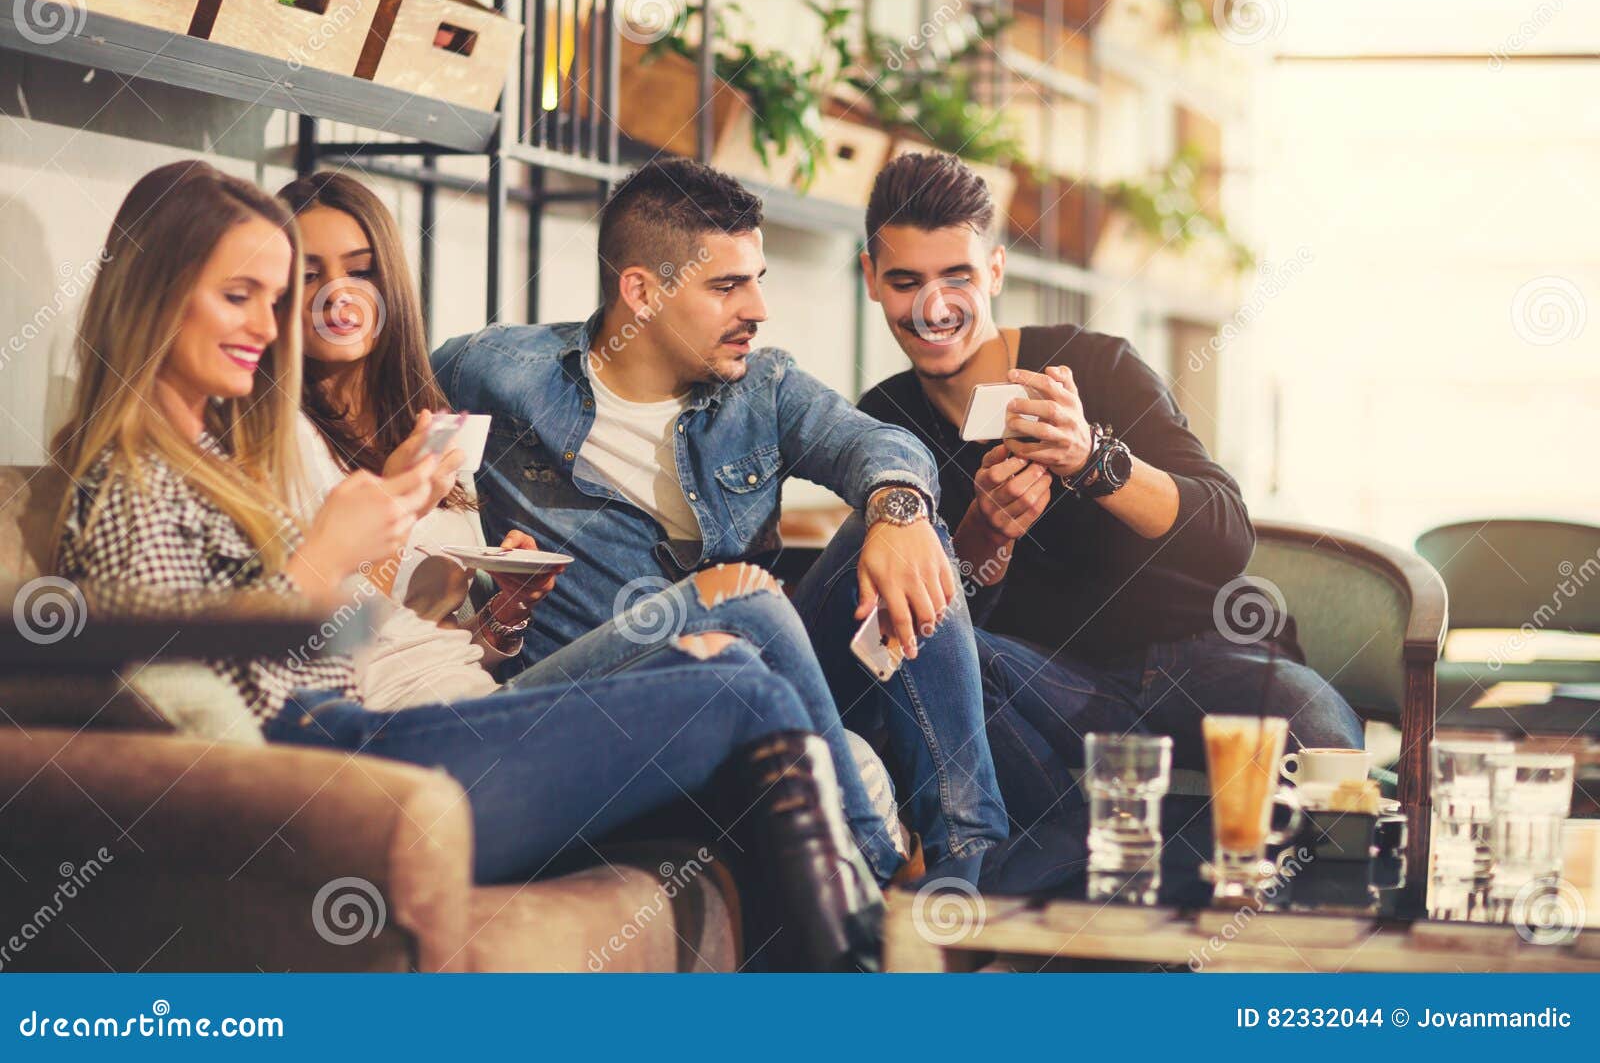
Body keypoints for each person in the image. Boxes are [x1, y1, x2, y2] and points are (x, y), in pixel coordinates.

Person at [50, 160, 885, 970]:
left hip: (364, 731)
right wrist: (325, 560)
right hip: (328, 760)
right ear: (154, 293)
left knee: (735, 690)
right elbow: (181, 708)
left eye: (271, 301)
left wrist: (455, 596)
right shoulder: (127, 481)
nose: (270, 329)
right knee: (739, 680)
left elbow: (310, 645)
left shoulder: (211, 461)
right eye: (242, 297)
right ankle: (871, 968)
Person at [433, 158, 1008, 882]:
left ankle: (972, 870)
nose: (758, 309)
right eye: (727, 285)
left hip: (765, 676)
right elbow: (370, 429)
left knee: (902, 523)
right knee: (742, 597)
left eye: (758, 278)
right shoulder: (495, 373)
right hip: (614, 700)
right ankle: (885, 870)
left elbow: (876, 444)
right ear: (641, 291)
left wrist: (899, 508)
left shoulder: (763, 388)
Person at [854, 151, 1364, 826]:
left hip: (1206, 656)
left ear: (996, 270)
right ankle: (1060, 876)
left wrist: (1093, 458)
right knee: (927, 661)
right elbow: (931, 619)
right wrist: (987, 535)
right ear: (869, 278)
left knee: (1320, 742)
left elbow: (1226, 536)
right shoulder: (884, 421)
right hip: (1051, 681)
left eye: (959, 277)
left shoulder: (1095, 364)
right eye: (904, 280)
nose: (934, 306)